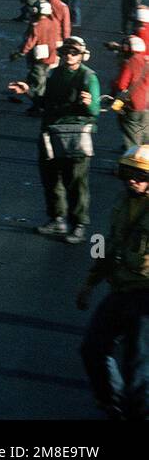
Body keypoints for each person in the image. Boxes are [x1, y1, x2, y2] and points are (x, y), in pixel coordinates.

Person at [77, 145, 149, 419]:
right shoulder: (123, 203)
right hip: (121, 290)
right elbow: (110, 247)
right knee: (92, 349)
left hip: (145, 297)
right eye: (128, 173)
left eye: (140, 175)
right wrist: (90, 283)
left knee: (139, 368)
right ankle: (114, 404)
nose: (132, 179)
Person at [9, 36, 100, 243]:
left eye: (74, 52)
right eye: (66, 52)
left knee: (76, 181)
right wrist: (28, 92)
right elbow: (45, 102)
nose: (69, 55)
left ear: (82, 55)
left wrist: (88, 105)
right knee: (51, 178)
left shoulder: (88, 77)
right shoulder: (54, 74)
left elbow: (94, 111)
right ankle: (57, 219)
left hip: (74, 135)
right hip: (51, 133)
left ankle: (79, 225)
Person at [10, 1, 60, 115]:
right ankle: (34, 103)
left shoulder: (36, 25)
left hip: (39, 58)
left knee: (37, 83)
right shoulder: (53, 22)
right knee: (41, 81)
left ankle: (38, 106)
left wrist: (19, 53)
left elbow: (29, 42)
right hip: (51, 56)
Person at [111, 36, 149, 150]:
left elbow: (121, 85)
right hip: (146, 106)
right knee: (144, 135)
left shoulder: (131, 62)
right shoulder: (146, 61)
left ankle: (132, 162)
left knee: (131, 138)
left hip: (132, 106)